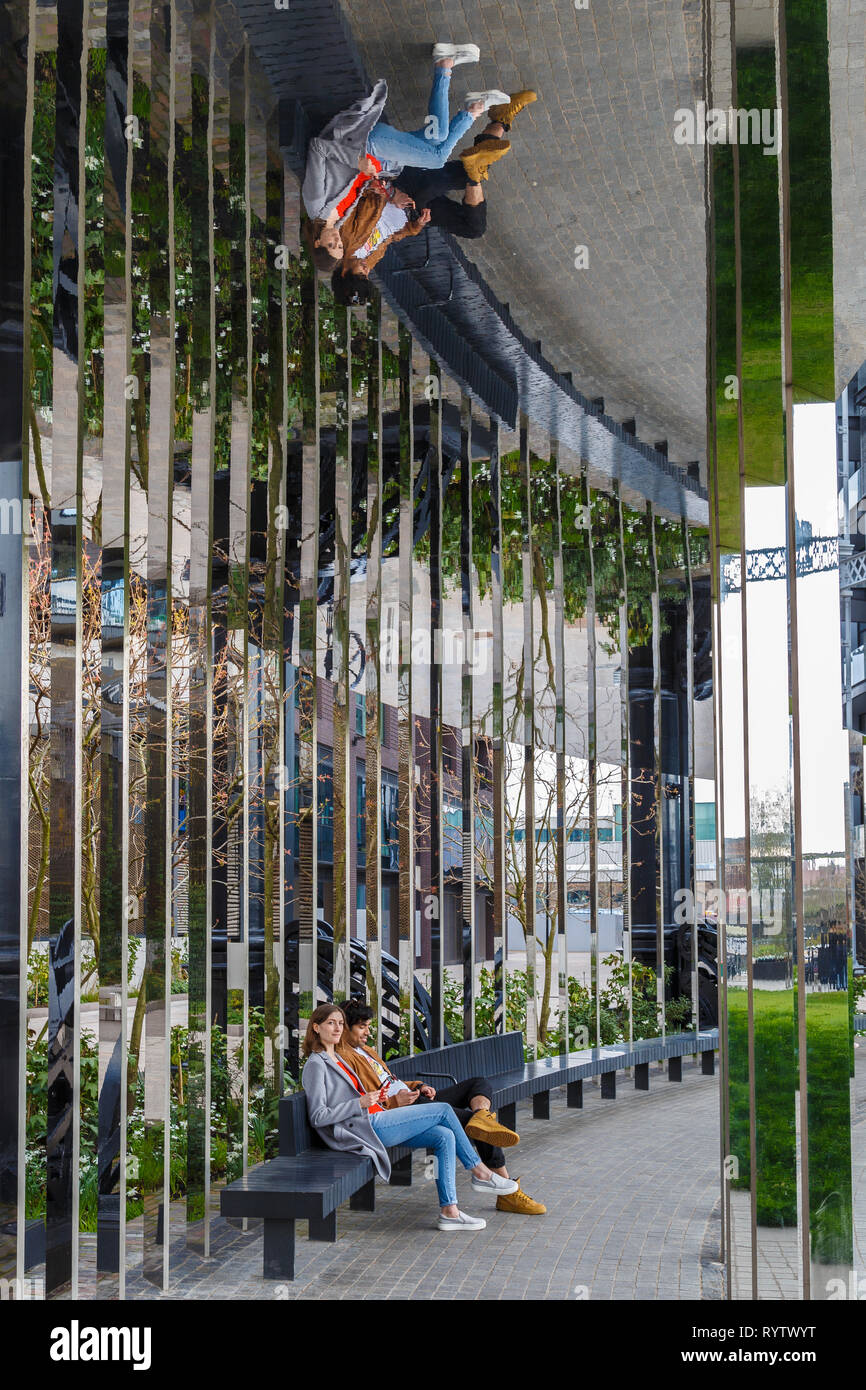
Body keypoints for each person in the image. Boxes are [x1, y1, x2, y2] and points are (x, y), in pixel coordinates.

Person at [301, 1002, 519, 1232]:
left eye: (340, 1023)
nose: (337, 1028)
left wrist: (379, 1097)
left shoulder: (338, 1058)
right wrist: (360, 1103)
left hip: (379, 1117)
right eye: (330, 1023)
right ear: (316, 1027)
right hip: (366, 1126)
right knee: (443, 1110)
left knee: (444, 1136)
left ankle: (450, 1212)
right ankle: (480, 1172)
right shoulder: (316, 1064)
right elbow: (318, 1116)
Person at [301, 43, 508, 268]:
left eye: (331, 245)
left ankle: (468, 103)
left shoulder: (315, 204)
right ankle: (452, 76)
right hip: (382, 163)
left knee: (437, 158)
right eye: (340, 246)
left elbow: (318, 147)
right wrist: (383, 185)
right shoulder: (338, 220)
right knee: (436, 137)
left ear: (316, 242)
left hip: (366, 145)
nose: (337, 241)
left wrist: (358, 161)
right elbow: (357, 184)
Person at [337, 998, 546, 1215]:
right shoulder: (344, 1057)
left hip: (415, 1097)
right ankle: (508, 1194)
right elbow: (364, 1099)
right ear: (344, 1028)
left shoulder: (367, 1051)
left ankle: (482, 1116)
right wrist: (392, 1102)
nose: (367, 1033)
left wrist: (420, 1085)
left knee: (478, 1085)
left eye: (368, 1027)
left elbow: (390, 1081)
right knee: (477, 1127)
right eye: (362, 1027)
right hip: (403, 1111)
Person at [329, 91, 538, 301]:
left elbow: (357, 191)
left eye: (360, 273)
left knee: (440, 181)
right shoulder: (368, 262)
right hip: (414, 210)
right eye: (367, 276)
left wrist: (390, 195)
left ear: (344, 273)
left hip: (399, 186)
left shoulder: (341, 240)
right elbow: (391, 236)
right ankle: (480, 162)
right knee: (474, 228)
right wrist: (416, 226)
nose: (366, 269)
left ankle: (494, 132)